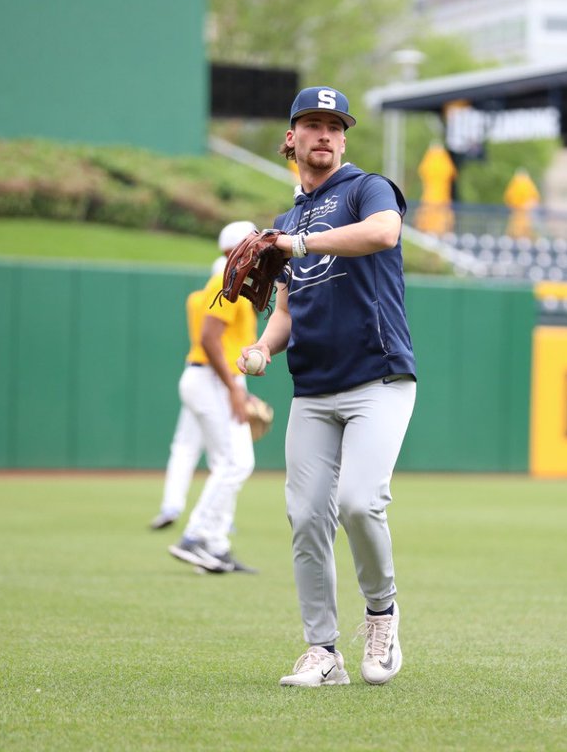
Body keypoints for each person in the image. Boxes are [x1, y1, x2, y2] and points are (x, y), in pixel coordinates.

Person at [239, 86, 416, 687]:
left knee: (360, 503)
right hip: (313, 389)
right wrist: (264, 345)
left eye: (335, 126)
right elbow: (286, 306)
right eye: (312, 124)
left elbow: (384, 234)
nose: (325, 134)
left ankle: (382, 615)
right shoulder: (285, 223)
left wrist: (299, 242)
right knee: (308, 517)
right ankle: (323, 651)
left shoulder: (368, 188)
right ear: (290, 137)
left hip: (379, 376)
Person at [153, 220, 259, 574]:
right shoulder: (224, 280)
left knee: (225, 463)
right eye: (251, 244)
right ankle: (195, 537)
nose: (258, 250)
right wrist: (233, 389)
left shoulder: (237, 281)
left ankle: (216, 548)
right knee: (236, 462)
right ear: (234, 250)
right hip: (212, 378)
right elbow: (210, 338)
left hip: (216, 379)